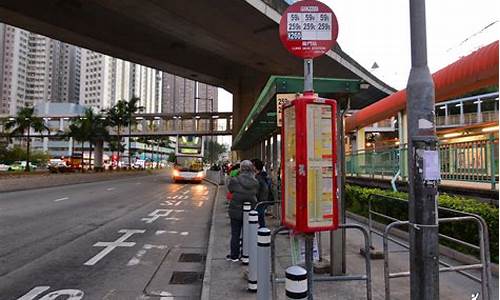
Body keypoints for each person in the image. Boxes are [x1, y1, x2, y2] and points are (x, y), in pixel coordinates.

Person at [226, 160, 259, 262]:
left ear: (241, 168)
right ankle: (246, 254)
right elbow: (257, 193)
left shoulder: (235, 180)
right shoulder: (255, 182)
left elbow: (230, 190)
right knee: (248, 233)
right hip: (250, 211)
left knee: (235, 234)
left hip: (235, 210)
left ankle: (234, 255)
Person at [251, 158, 270, 227]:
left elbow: (256, 191)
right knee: (261, 219)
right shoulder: (263, 175)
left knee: (258, 219)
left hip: (259, 201)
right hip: (263, 201)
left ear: (255, 166)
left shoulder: (258, 178)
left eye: (252, 165)